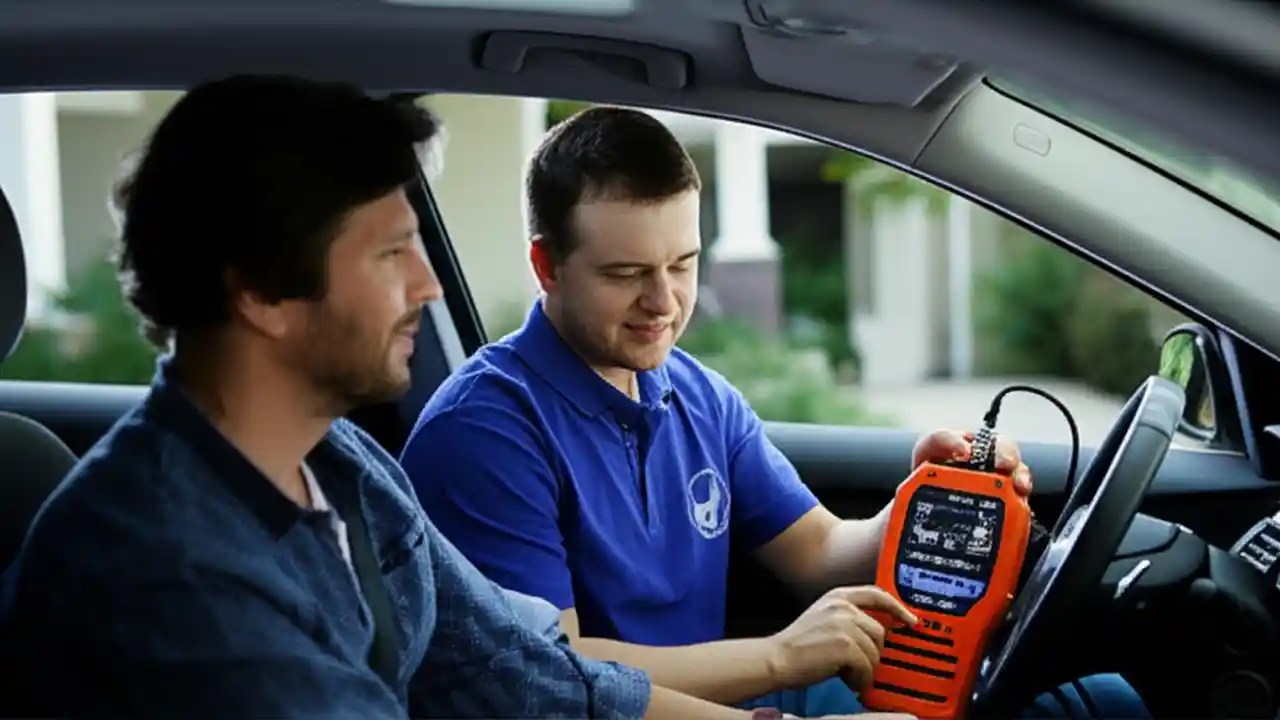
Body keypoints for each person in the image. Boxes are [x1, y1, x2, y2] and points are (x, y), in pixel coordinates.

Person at [0, 75, 899, 720]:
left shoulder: (339, 465)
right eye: (392, 253)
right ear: (260, 293)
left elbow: (522, 673)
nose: (431, 284)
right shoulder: (166, 572)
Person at [399, 106, 1153, 718]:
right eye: (626, 274)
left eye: (683, 264)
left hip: (743, 694)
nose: (663, 303)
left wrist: (926, 503)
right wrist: (780, 663)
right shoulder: (485, 431)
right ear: (546, 266)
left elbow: (820, 553)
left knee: (1101, 702)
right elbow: (552, 679)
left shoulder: (694, 392)